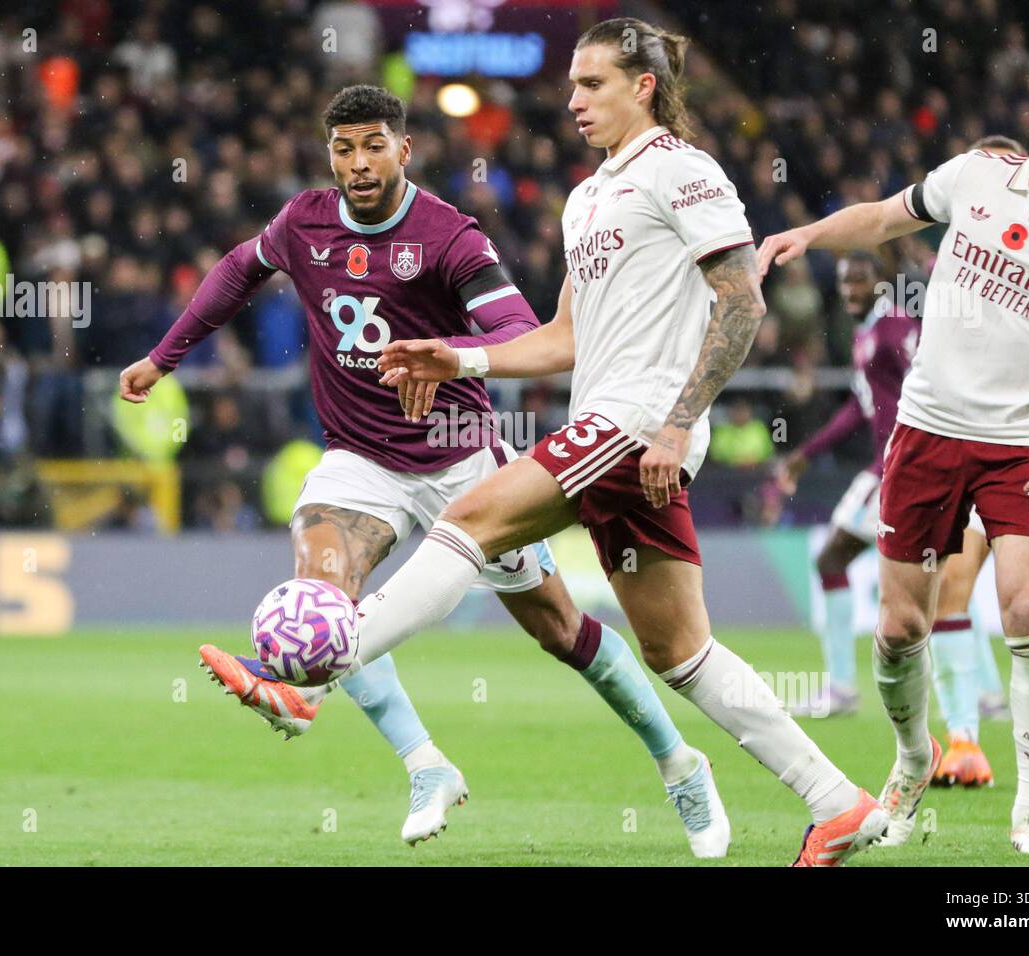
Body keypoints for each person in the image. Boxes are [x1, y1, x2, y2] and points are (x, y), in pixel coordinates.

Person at [120, 85, 717, 855]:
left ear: (404, 149)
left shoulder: (449, 236)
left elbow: (516, 327)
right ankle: (421, 761)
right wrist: (162, 359)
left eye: (374, 145)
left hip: (462, 459)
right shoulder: (303, 221)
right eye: (343, 147)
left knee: (561, 629)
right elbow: (238, 269)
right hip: (358, 460)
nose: (358, 163)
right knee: (322, 595)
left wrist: (460, 357)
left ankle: (678, 762)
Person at [371, 17, 887, 866]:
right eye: (572, 85)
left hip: (636, 423)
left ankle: (329, 651)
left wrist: (679, 422)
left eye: (591, 84)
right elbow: (562, 339)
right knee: (678, 651)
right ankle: (839, 802)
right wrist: (459, 354)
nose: (572, 101)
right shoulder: (587, 198)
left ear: (643, 85)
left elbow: (744, 299)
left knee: (470, 521)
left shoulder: (683, 171)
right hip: (610, 424)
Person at [758, 43, 1029, 854]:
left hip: (1026, 445)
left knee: (1026, 610)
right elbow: (887, 217)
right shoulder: (974, 177)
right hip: (925, 429)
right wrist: (809, 234)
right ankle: (913, 757)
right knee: (898, 629)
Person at [927, 136, 1029, 790]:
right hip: (971, 443)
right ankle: (964, 742)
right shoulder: (960, 263)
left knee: (1024, 605)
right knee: (952, 590)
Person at [775, 251, 918, 717]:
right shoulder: (867, 334)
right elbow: (860, 406)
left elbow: (927, 390)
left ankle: (841, 688)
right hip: (884, 467)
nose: (851, 290)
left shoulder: (897, 330)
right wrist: (805, 454)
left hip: (903, 468)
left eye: (860, 279)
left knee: (840, 560)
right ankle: (841, 687)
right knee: (838, 560)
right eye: (844, 281)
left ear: (882, 280)